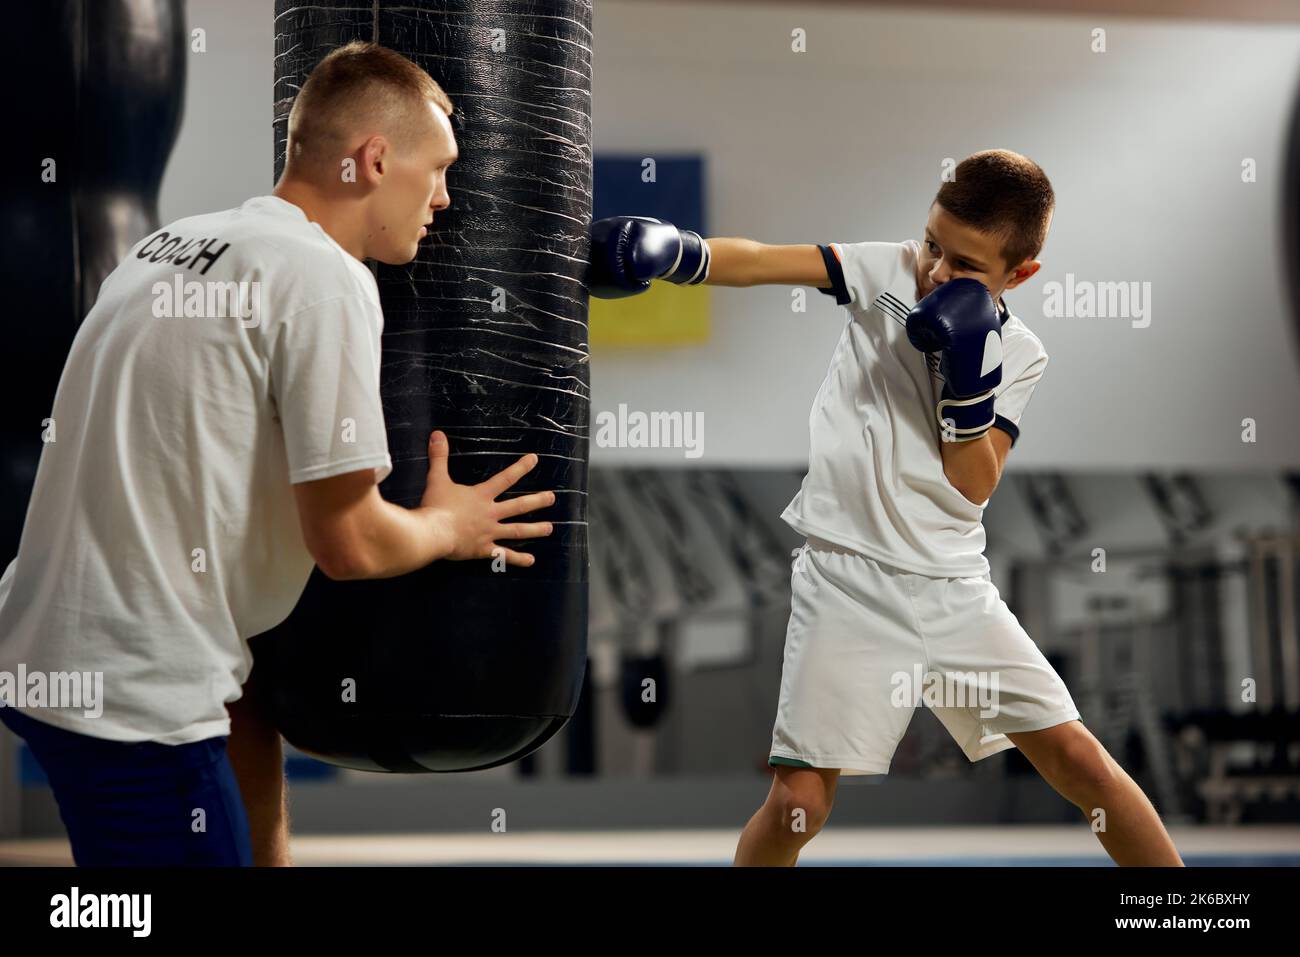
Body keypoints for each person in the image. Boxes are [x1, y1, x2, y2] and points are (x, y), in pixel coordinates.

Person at [0, 41, 555, 866]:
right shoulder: (324, 279)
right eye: (438, 169)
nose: (444, 199)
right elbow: (351, 543)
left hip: (46, 654)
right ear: (372, 160)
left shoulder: (170, 246)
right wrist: (450, 526)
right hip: (138, 701)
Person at [588, 149, 1183, 866]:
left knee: (1083, 764)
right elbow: (764, 262)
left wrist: (969, 385)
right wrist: (679, 254)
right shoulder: (888, 273)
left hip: (954, 589)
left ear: (1019, 275)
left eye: (964, 265)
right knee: (798, 804)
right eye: (934, 242)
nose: (936, 270)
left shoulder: (1020, 352)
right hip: (847, 582)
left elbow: (974, 482)